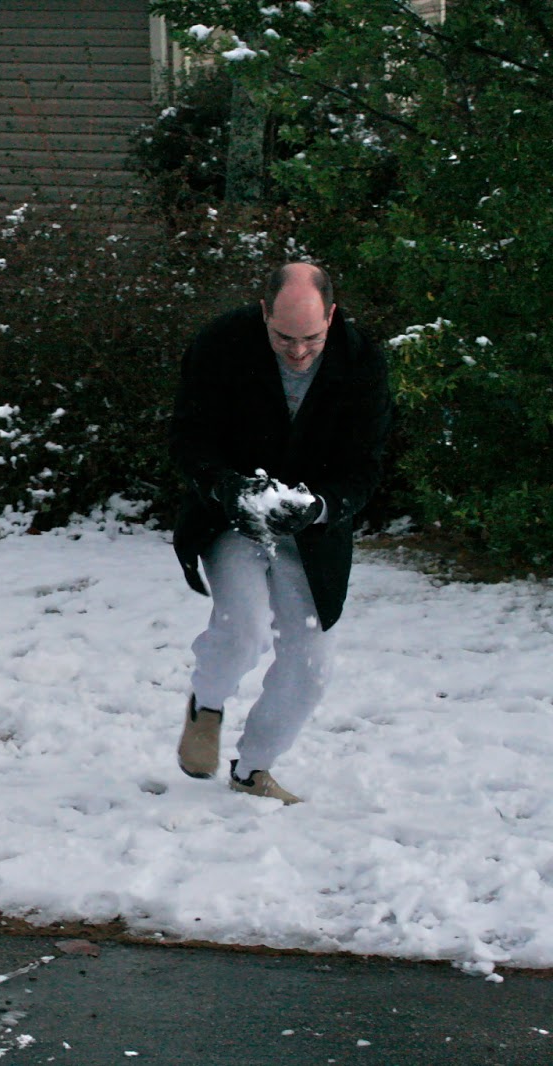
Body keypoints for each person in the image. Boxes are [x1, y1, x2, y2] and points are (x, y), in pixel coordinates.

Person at [170, 262, 391, 803]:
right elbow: (188, 440)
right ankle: (208, 704)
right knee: (242, 629)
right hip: (231, 517)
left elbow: (366, 467)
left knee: (312, 664)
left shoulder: (361, 361)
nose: (297, 352)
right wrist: (227, 490)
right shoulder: (221, 344)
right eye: (283, 337)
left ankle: (254, 769)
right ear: (264, 311)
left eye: (312, 338)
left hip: (315, 531)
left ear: (332, 315)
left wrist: (319, 506)